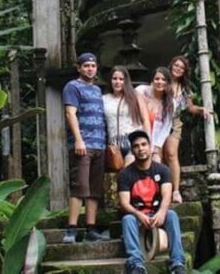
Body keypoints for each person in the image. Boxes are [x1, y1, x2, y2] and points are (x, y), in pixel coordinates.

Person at [118, 130, 187, 274]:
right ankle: (136, 263)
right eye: (136, 146)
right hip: (137, 217)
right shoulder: (125, 174)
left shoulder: (163, 170)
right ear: (132, 150)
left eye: (144, 144)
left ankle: (177, 262)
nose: (141, 149)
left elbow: (167, 195)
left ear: (150, 147)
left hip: (157, 214)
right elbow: (124, 203)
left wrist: (161, 212)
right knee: (127, 219)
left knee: (171, 215)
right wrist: (139, 215)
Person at [63, 52, 110, 244]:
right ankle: (71, 229)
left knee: (95, 190)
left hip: (99, 145)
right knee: (80, 187)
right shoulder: (72, 86)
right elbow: (70, 113)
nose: (90, 69)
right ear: (79, 68)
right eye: (86, 66)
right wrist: (78, 140)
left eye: (93, 66)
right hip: (83, 145)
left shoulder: (97, 90)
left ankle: (91, 228)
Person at [164, 55, 211, 204]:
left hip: (175, 122)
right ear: (171, 66)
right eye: (176, 65)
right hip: (159, 120)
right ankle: (160, 191)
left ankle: (176, 191)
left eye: (182, 68)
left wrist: (201, 109)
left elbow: (190, 107)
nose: (178, 69)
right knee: (157, 155)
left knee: (172, 155)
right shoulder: (162, 81)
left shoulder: (184, 88)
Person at [104, 66, 151, 167]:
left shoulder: (135, 96)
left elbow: (145, 119)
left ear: (126, 81)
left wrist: (148, 141)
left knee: (129, 169)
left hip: (133, 142)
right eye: (114, 78)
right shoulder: (104, 99)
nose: (118, 82)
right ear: (110, 80)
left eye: (121, 79)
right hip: (114, 145)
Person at [135, 67, 176, 163]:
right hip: (138, 136)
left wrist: (156, 148)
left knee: (156, 161)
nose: (160, 82)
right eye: (157, 79)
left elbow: (166, 128)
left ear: (168, 82)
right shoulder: (141, 91)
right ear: (152, 81)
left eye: (163, 79)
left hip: (155, 139)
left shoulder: (171, 102)